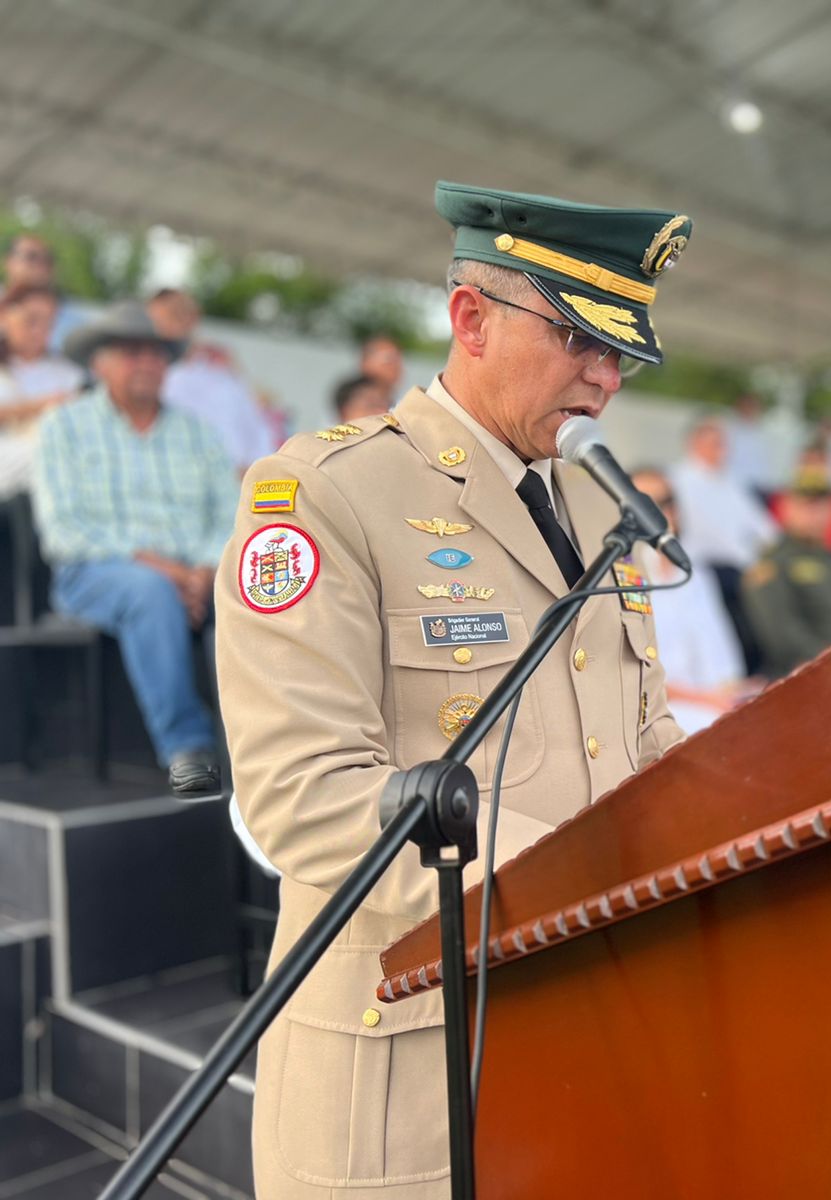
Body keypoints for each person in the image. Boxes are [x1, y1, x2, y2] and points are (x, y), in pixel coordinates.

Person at [215, 181, 693, 1200]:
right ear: (471, 319)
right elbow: (303, 791)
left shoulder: (598, 507)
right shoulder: (326, 494)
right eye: (580, 339)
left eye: (622, 356)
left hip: (585, 1032)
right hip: (412, 1072)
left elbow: (644, 739)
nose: (605, 380)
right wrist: (577, 889)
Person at [33, 301, 235, 794]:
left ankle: (270, 744)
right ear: (99, 364)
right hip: (95, 571)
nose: (146, 362)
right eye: (131, 352)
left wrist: (205, 569)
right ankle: (189, 749)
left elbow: (231, 513)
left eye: (156, 353)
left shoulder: (198, 432)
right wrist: (167, 570)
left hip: (197, 572)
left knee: (258, 589)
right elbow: (63, 529)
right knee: (149, 591)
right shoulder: (64, 425)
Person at [633, 466, 752, 734]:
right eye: (643, 504)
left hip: (711, 705)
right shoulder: (618, 582)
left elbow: (723, 660)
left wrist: (735, 693)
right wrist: (708, 701)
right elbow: (638, 679)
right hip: (658, 713)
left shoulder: (695, 574)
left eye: (665, 503)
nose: (658, 513)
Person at [668, 413, 777, 672]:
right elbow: (710, 533)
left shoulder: (731, 481)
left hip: (745, 563)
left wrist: (773, 553)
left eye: (723, 443)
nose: (722, 450)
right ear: (695, 443)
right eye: (715, 443)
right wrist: (751, 562)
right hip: (707, 566)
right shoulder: (680, 480)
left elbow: (762, 525)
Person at [741, 468, 831, 677]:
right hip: (809, 676)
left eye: (822, 506)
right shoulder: (774, 566)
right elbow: (782, 636)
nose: (814, 515)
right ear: (785, 509)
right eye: (805, 506)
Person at [148, 288, 278, 473]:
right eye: (170, 316)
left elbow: (256, 433)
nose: (175, 324)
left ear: (195, 317)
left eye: (183, 313)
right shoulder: (149, 380)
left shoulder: (221, 372)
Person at [0, 284, 82, 496]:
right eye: (31, 320)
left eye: (48, 323)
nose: (38, 332)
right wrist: (38, 406)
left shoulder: (69, 373)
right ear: (5, 316)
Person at [2, 232, 86, 350]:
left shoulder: (76, 323)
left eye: (48, 259)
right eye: (32, 256)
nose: (40, 265)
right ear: (8, 261)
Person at [359, 333, 406, 401]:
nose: (397, 366)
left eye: (398, 358)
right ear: (366, 363)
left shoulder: (398, 403)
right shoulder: (353, 402)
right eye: (388, 358)